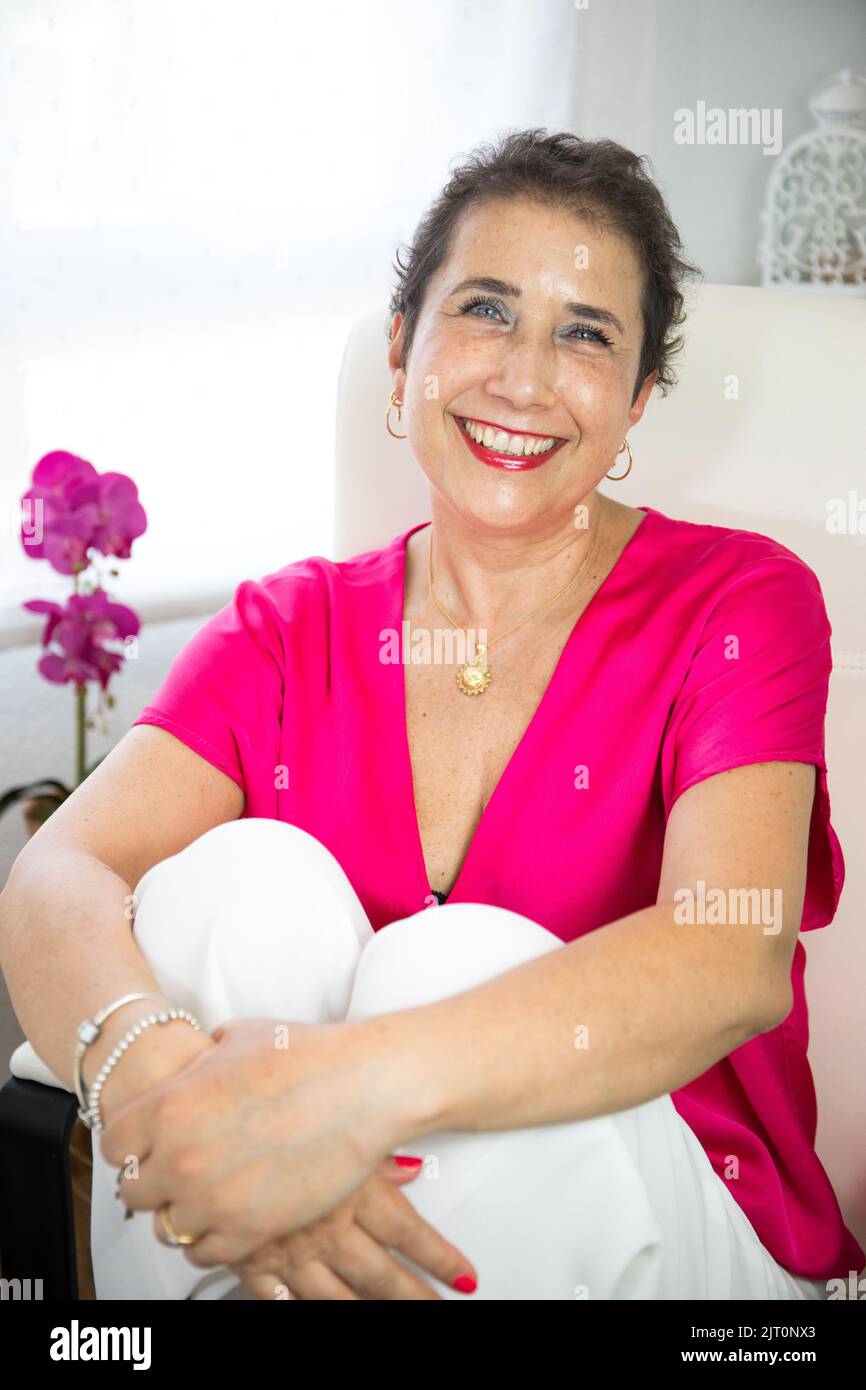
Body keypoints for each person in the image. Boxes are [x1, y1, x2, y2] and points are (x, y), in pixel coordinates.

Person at [1, 129, 861, 1301]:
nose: (521, 375)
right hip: (310, 1250)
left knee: (455, 961)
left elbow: (733, 953)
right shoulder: (287, 628)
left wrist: (332, 1094)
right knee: (231, 891)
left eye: (584, 335)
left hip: (698, 1243)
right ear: (402, 351)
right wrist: (155, 1076)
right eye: (486, 310)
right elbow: (59, 875)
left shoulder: (738, 601)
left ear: (636, 401)